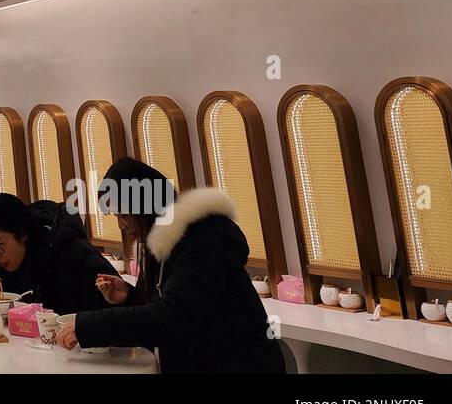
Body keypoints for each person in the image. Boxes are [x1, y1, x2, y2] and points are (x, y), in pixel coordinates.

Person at [57, 158, 285, 373]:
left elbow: (172, 318)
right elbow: (173, 307)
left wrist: (90, 327)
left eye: (123, 215)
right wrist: (130, 296)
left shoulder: (202, 241)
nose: (121, 225)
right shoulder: (166, 244)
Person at [0, 192, 116, 314]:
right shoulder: (8, 265)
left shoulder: (72, 255)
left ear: (22, 234)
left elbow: (113, 313)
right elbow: (18, 303)